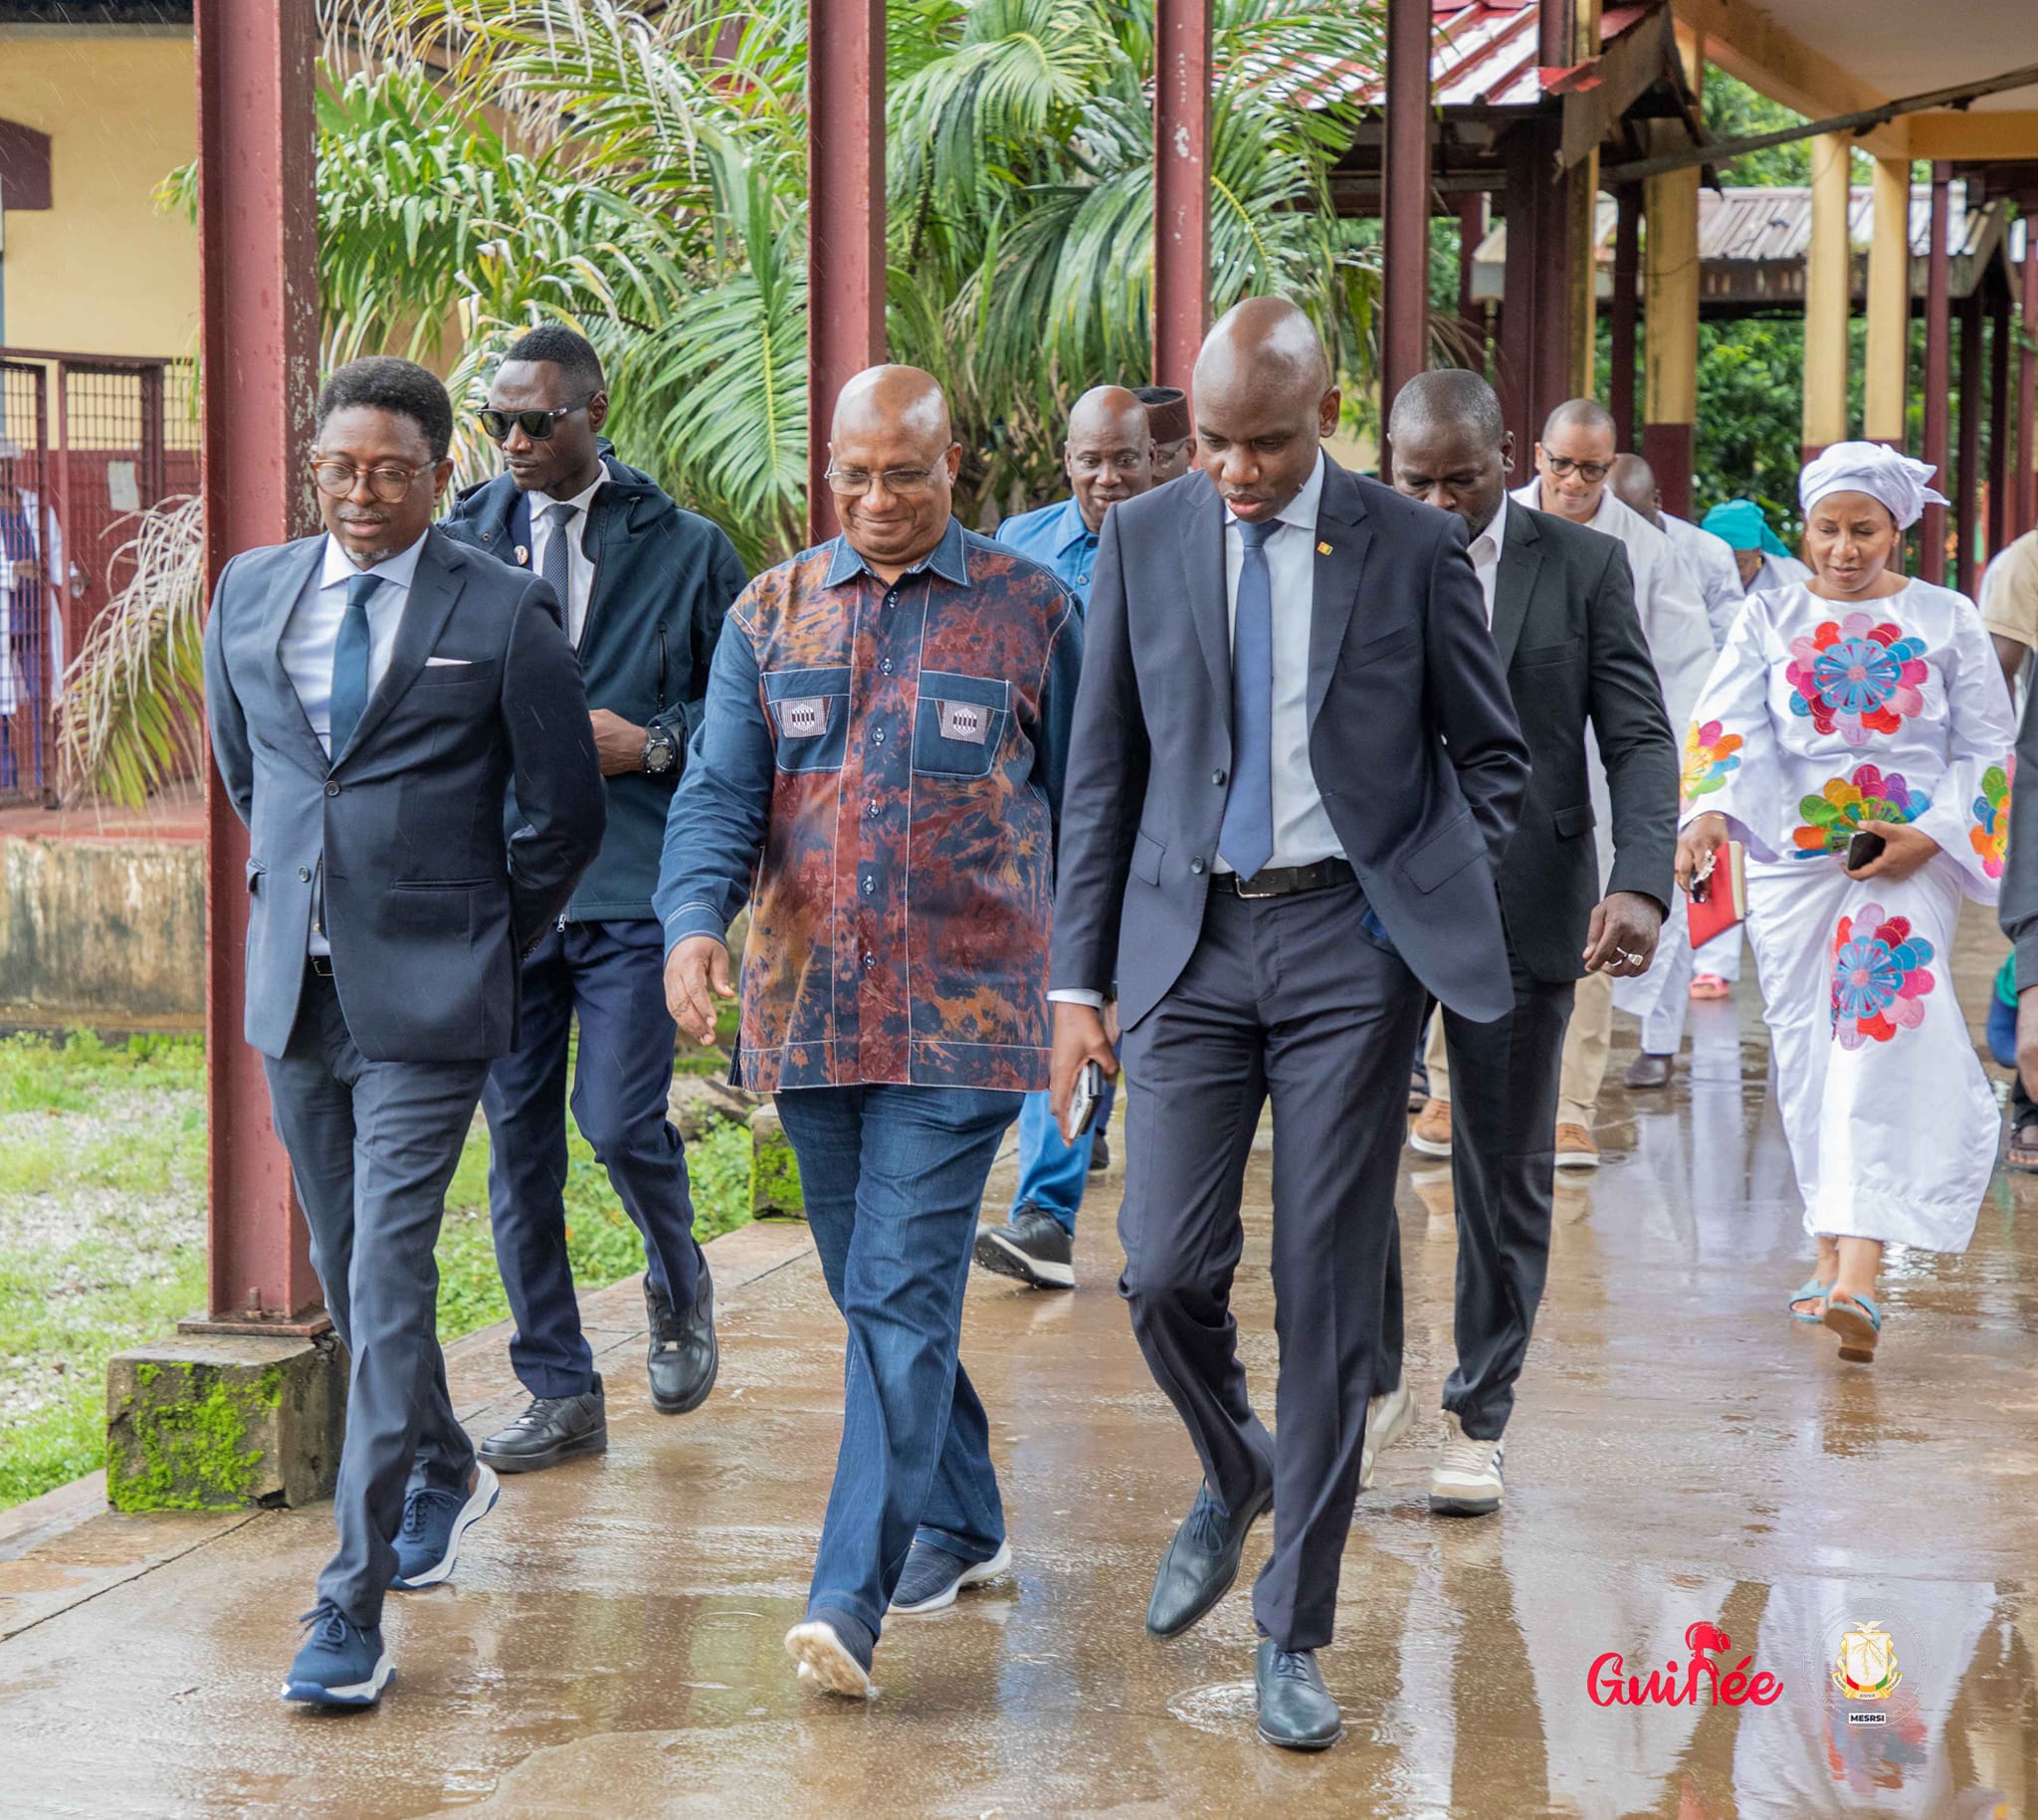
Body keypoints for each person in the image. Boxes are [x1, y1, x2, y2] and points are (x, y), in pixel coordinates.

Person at [1050, 301, 1529, 1750]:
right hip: (1186, 942)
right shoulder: (1143, 541)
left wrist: (1407, 916)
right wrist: (1083, 986)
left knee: (1327, 1293)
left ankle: (1293, 1628)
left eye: (1266, 443)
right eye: (1211, 444)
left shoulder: (1412, 543)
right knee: (1158, 1272)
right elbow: (1100, 778)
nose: (1238, 471)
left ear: (1324, 415)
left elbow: (1490, 760)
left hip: (1346, 945)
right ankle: (1237, 1462)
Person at [656, 365, 1081, 1700]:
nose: (880, 499)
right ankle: (965, 1517)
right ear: (826, 471)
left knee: (896, 1296)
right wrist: (691, 923)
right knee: (874, 1293)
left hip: (966, 1019)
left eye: (906, 473)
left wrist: (1087, 987)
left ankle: (847, 1598)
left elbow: (1093, 808)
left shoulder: (1035, 612)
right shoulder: (765, 613)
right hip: (809, 1011)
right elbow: (724, 790)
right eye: (856, 475)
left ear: (953, 465)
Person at [202, 357, 605, 1706]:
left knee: (384, 1285)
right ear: (311, 467)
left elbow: (562, 816)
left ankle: (350, 1606)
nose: (360, 494)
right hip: (296, 995)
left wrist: (479, 932)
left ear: (443, 473)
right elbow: (254, 772)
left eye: (389, 470)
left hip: (431, 1005)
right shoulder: (251, 593)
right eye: (337, 468)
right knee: (354, 1259)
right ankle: (441, 1460)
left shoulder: (501, 610)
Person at [441, 325, 744, 1470]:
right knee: (517, 1150)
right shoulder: (460, 537)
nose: (514, 440)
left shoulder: (687, 547)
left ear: (594, 411)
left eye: (538, 420)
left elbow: (744, 709)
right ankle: (560, 1386)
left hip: (629, 879)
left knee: (617, 1120)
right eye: (500, 421)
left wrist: (651, 741)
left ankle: (678, 1277)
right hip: (505, 887)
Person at [1383, 369, 1677, 1512]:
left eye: (1463, 478)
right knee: (1342, 1154)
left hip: (1526, 903)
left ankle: (1477, 1413)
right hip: (1369, 908)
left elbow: (1638, 740)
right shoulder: (1356, 554)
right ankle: (1365, 1377)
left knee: (1501, 1174)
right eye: (1418, 482)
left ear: (1506, 457)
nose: (1442, 505)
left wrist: (1640, 882)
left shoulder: (1584, 566)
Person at [1680, 442, 2014, 1363]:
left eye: (1863, 530)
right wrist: (1709, 814)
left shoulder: (1946, 617)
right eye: (1826, 528)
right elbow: (1728, 723)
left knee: (1878, 1024)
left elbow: (1989, 747)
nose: (1842, 548)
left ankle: (1860, 1270)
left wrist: (1933, 836)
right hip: (1795, 859)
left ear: (1899, 528)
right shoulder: (1769, 611)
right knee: (1803, 1048)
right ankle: (1828, 1248)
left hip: (1905, 858)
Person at [972, 384, 1154, 1289]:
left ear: (1159, 458)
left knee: (1084, 992)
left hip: (1147, 812)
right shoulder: (1023, 545)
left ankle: (1045, 1212)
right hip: (1038, 809)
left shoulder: (1187, 540)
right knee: (1060, 995)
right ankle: (1049, 1201)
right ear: (1068, 461)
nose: (1109, 477)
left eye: (1127, 458)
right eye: (1092, 460)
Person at [1504, 400, 1713, 1144]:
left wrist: (1682, 794)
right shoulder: (1495, 524)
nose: (1573, 480)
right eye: (1561, 463)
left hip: (1595, 765)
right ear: (1536, 454)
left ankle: (1572, 1107)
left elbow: (1684, 673)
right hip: (1502, 760)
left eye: (1592, 469)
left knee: (1585, 928)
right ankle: (1447, 1092)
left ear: (1611, 468)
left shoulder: (1646, 552)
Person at [1611, 452, 1743, 647]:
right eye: (1620, 517)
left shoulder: (1710, 555)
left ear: (1656, 501)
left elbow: (1726, 640)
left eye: (1637, 516)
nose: (1631, 527)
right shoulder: (1593, 544)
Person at [1703, 499, 1813, 601]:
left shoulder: (1795, 578)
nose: (1731, 573)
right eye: (1720, 564)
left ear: (1757, 551)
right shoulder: (1697, 578)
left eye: (1740, 563)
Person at [1133, 384, 1195, 483]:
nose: (1146, 473)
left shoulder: (1214, 496)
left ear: (1189, 451)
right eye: (1130, 460)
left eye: (1159, 458)